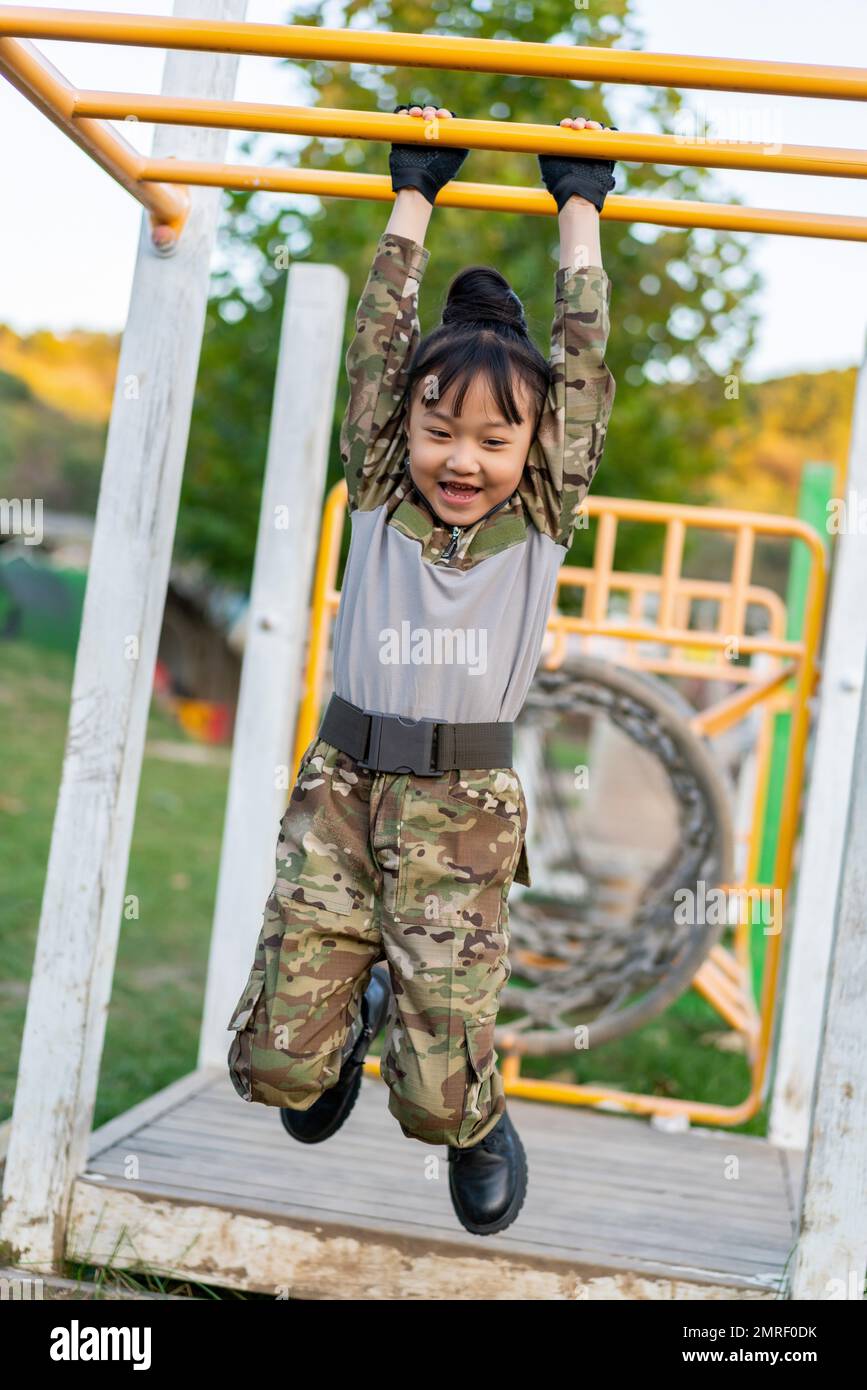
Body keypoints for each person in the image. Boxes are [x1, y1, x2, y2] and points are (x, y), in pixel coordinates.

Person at [226, 103, 618, 1237]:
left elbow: (582, 368)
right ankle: (343, 1027)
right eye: (443, 429)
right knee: (279, 1079)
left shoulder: (541, 511)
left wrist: (580, 202)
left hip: (460, 809)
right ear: (408, 428)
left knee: (434, 1099)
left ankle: (475, 1114)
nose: (464, 457)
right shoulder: (384, 487)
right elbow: (378, 349)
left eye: (497, 439)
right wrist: (415, 191)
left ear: (532, 451)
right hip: (344, 786)